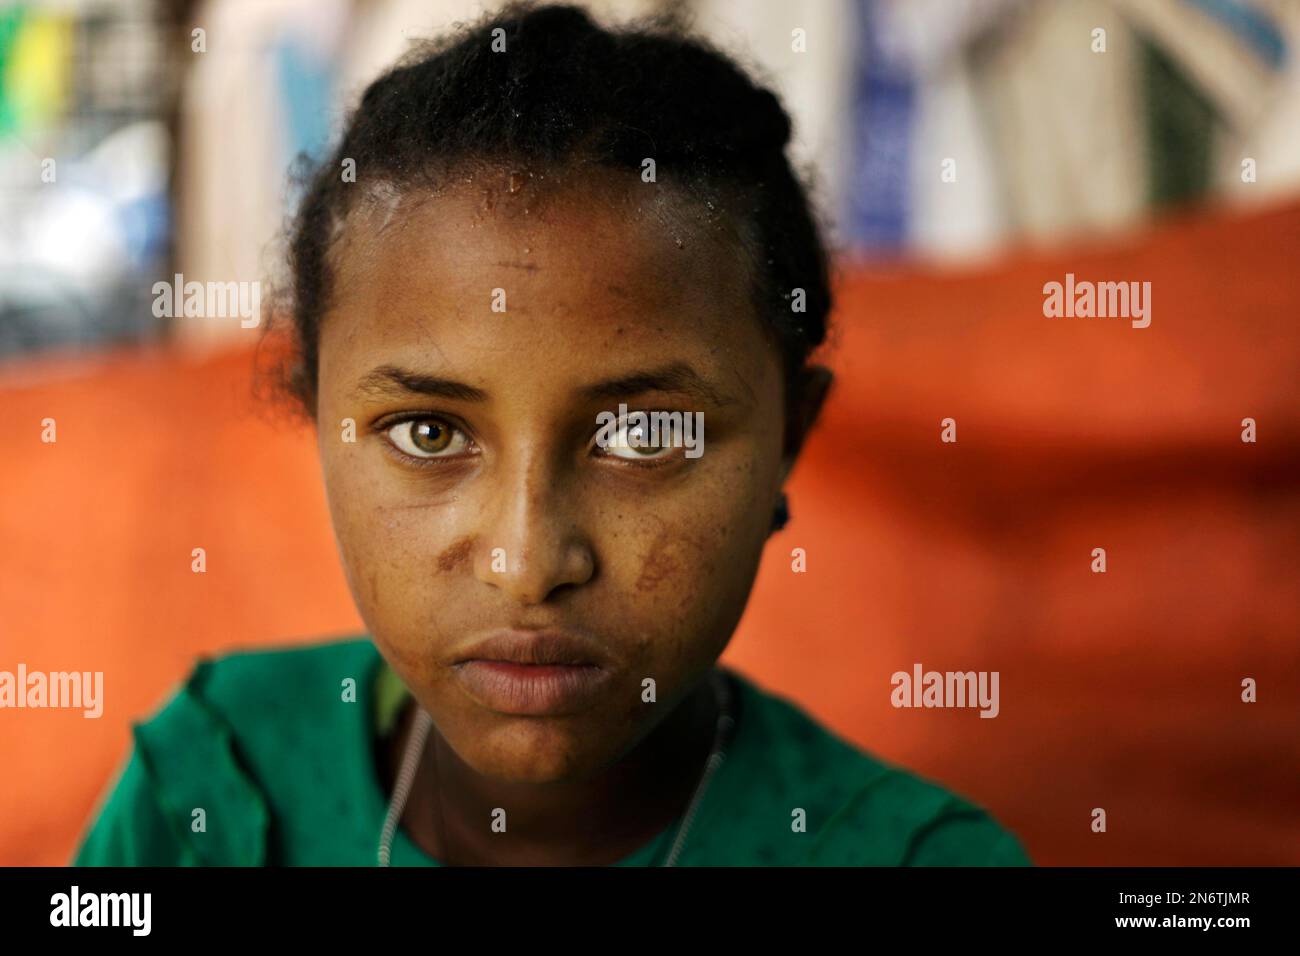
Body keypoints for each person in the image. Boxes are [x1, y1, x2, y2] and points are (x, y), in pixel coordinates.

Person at [74, 2, 1030, 867]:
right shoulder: (213, 791)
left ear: (790, 439)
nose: (527, 561)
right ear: (315, 415)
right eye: (428, 432)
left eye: (647, 432)